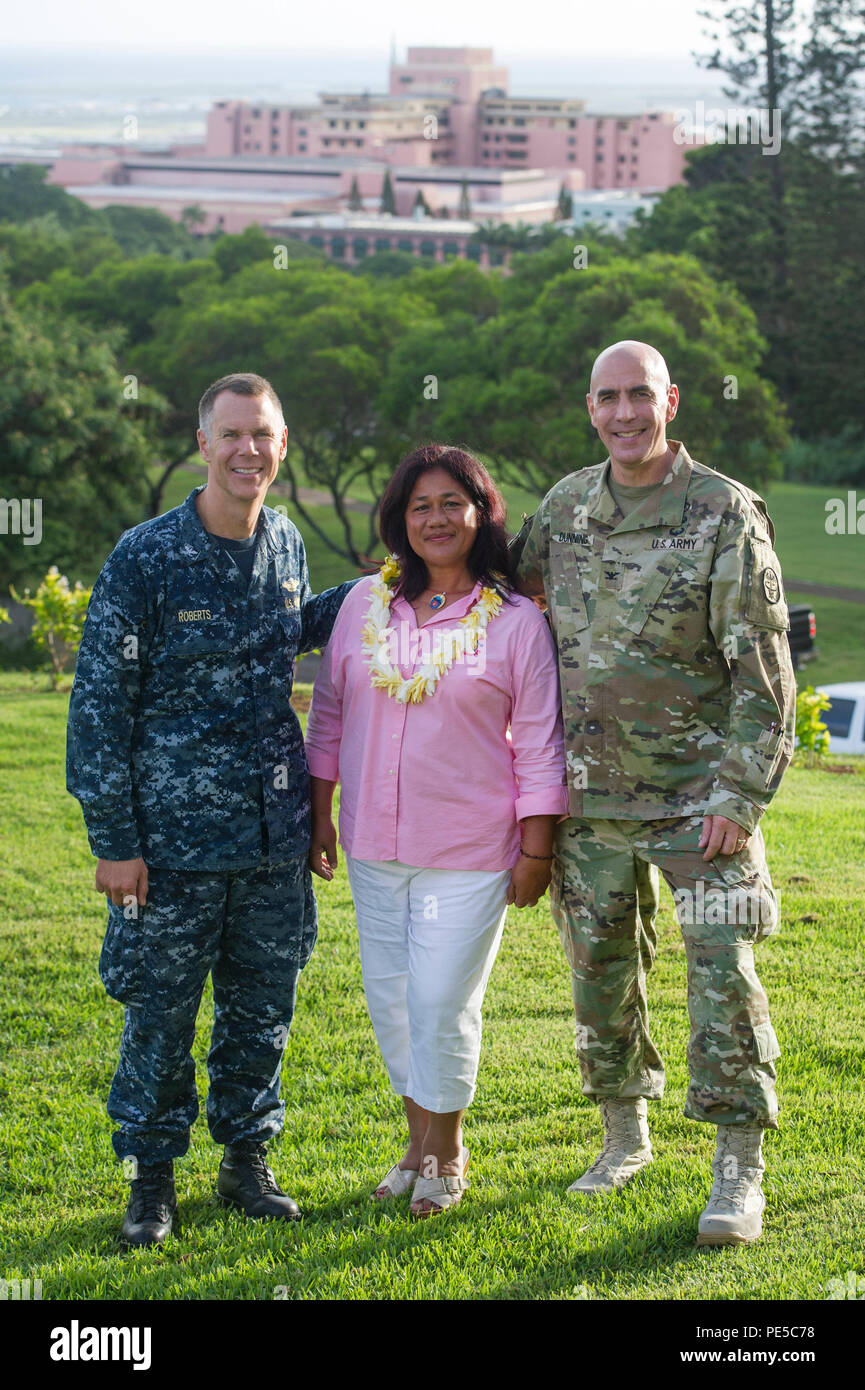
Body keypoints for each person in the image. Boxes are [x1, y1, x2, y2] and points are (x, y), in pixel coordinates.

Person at [516, 340, 796, 1245]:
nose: (625, 413)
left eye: (641, 395)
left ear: (670, 400)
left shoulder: (722, 510)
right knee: (599, 976)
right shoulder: (564, 507)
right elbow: (505, 610)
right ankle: (622, 1135)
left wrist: (739, 798)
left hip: (698, 800)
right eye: (608, 398)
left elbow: (763, 670)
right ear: (589, 407)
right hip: (588, 797)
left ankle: (737, 1167)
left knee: (722, 974)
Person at [66, 372, 355, 1246]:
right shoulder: (145, 556)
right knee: (159, 1014)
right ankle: (151, 1181)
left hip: (271, 842)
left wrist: (383, 589)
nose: (247, 450)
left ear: (282, 444)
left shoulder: (286, 542)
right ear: (203, 444)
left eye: (262, 435)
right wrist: (116, 844)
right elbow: (97, 709)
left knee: (261, 1011)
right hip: (170, 847)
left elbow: (280, 633)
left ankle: (245, 1161)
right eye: (231, 434)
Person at [304, 444, 568, 1218]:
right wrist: (320, 813)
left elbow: (542, 742)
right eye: (419, 505)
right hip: (372, 845)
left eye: (451, 502)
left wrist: (537, 850)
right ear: (399, 520)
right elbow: (327, 716)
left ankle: (446, 1150)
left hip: (468, 851)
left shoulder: (515, 622)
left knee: (441, 999)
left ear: (481, 512)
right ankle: (413, 1143)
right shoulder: (362, 604)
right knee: (390, 1000)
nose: (435, 518)